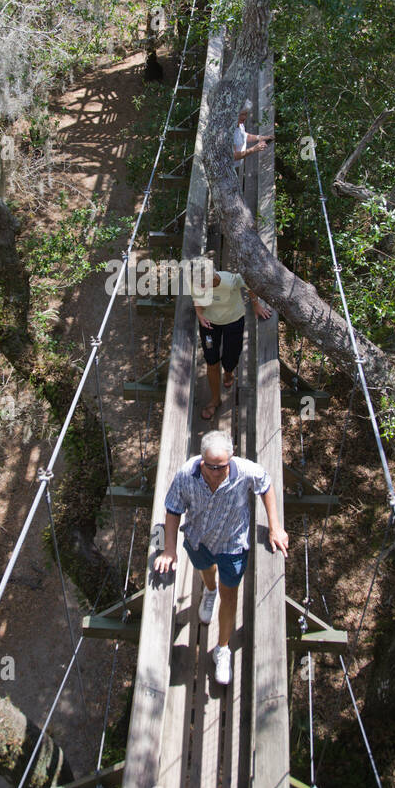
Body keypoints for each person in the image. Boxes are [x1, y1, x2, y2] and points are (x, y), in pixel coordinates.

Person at [155, 431, 289, 685]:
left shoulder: (245, 471)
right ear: (201, 459)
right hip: (198, 540)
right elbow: (172, 510)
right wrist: (169, 549)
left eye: (222, 467)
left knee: (231, 595)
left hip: (233, 545)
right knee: (204, 569)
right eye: (210, 466)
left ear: (231, 459)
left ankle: (222, 648)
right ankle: (209, 591)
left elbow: (266, 485)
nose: (216, 472)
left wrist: (275, 526)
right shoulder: (186, 473)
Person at [193, 264, 272, 420]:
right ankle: (215, 400)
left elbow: (250, 285)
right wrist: (200, 315)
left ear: (213, 277)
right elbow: (197, 300)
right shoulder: (198, 283)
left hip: (233, 322)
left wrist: (256, 305)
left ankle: (228, 372)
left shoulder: (231, 280)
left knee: (231, 357)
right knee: (211, 360)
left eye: (203, 283)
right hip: (209, 326)